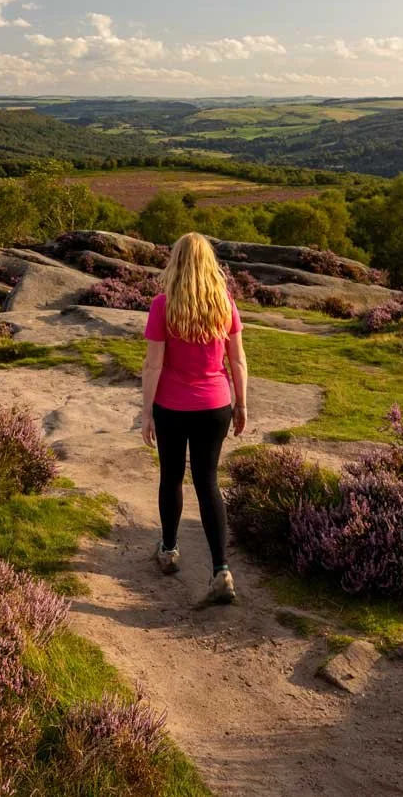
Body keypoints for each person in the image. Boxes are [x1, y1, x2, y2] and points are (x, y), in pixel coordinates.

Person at [140, 232, 249, 605]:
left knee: (171, 476)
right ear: (209, 263)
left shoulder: (162, 305)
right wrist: (242, 404)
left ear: (177, 262)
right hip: (215, 405)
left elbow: (154, 364)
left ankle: (169, 550)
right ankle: (221, 570)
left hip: (172, 406)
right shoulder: (225, 303)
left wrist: (146, 412)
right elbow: (237, 359)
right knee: (208, 481)